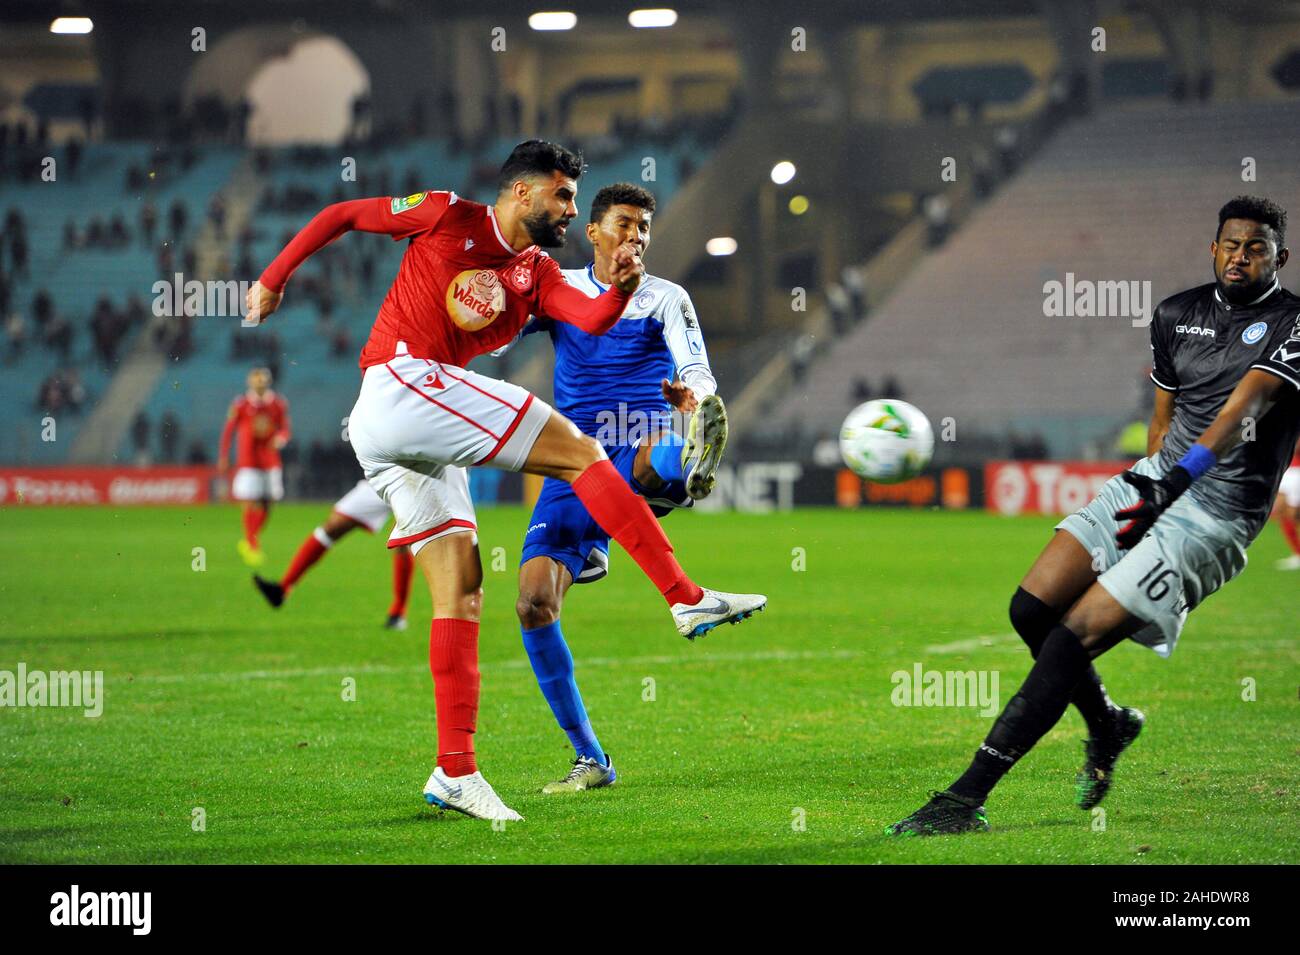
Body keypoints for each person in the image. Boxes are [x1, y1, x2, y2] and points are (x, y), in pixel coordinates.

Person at [245, 140, 765, 822]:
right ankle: (685, 594)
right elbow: (343, 213)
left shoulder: (539, 274)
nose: (572, 210)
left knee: (461, 589)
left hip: (415, 434)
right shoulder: (444, 215)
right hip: (402, 381)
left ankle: (455, 770)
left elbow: (594, 317)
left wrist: (627, 287)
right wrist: (274, 276)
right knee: (581, 450)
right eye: (564, 196)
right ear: (524, 192)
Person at [888, 195, 1300, 835]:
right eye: (1230, 244)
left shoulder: (1293, 323)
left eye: (1256, 247)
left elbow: (1241, 411)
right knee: (1031, 610)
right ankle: (1108, 721)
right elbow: (1163, 418)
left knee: (1071, 637)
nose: (1240, 256)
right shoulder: (1176, 313)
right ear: (1212, 247)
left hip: (1216, 514)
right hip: (1157, 483)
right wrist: (1153, 482)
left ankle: (964, 799)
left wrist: (1176, 490)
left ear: (1280, 256)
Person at [508, 183, 727, 793]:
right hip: (572, 462)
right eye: (625, 225)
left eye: (644, 228)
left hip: (641, 436)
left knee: (662, 465)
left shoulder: (665, 297)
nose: (637, 236)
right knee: (532, 604)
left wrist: (699, 399)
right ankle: (591, 760)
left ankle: (686, 468)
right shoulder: (559, 292)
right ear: (595, 233)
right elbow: (496, 331)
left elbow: (695, 363)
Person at [252, 478, 415, 630]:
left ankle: (398, 612)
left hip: (416, 476)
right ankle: (283, 589)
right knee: (333, 525)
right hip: (385, 473)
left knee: (403, 537)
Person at [218, 368, 291, 568]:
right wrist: (224, 455)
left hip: (270, 460)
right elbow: (228, 431)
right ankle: (251, 543)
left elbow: (285, 428)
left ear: (267, 382)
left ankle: (250, 538)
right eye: (256, 381)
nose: (260, 384)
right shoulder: (241, 404)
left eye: (263, 381)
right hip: (248, 461)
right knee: (249, 501)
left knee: (268, 502)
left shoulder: (277, 403)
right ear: (250, 383)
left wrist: (280, 439)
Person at [1275, 438, 1300, 570]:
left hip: (1297, 472)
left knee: (1293, 515)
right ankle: (1297, 552)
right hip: (1288, 469)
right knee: (1282, 513)